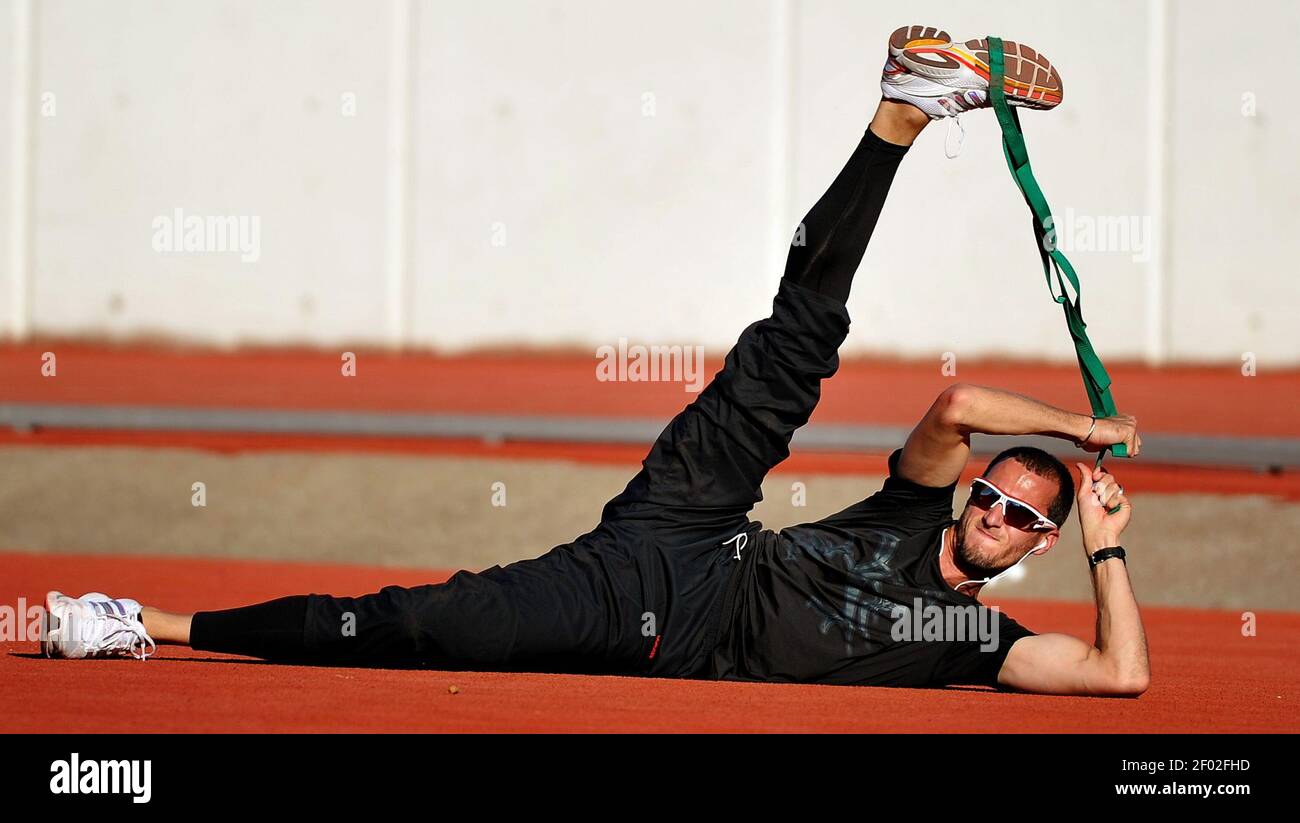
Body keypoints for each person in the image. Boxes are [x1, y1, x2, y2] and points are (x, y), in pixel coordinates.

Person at [42, 25, 1148, 696]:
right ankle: (899, 115)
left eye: (1021, 517)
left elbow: (1117, 673)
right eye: (997, 490)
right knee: (794, 346)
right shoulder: (920, 512)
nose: (997, 511)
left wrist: (1107, 552)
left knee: (430, 627)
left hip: (660, 609)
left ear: (1040, 543)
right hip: (698, 520)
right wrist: (1082, 431)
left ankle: (137, 622)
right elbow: (955, 406)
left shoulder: (974, 640)